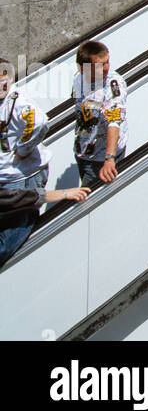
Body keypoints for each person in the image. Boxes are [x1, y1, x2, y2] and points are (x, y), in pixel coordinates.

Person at [0, 58, 89, 267]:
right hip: (9, 179)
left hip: (22, 176)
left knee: (13, 229)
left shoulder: (18, 102)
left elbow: (39, 122)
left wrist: (22, 149)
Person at [70, 41, 129, 191]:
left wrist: (110, 159)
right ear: (84, 68)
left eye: (107, 62)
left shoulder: (113, 85)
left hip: (101, 159)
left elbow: (114, 122)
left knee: (88, 200)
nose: (106, 68)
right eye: (100, 65)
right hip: (83, 152)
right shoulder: (79, 79)